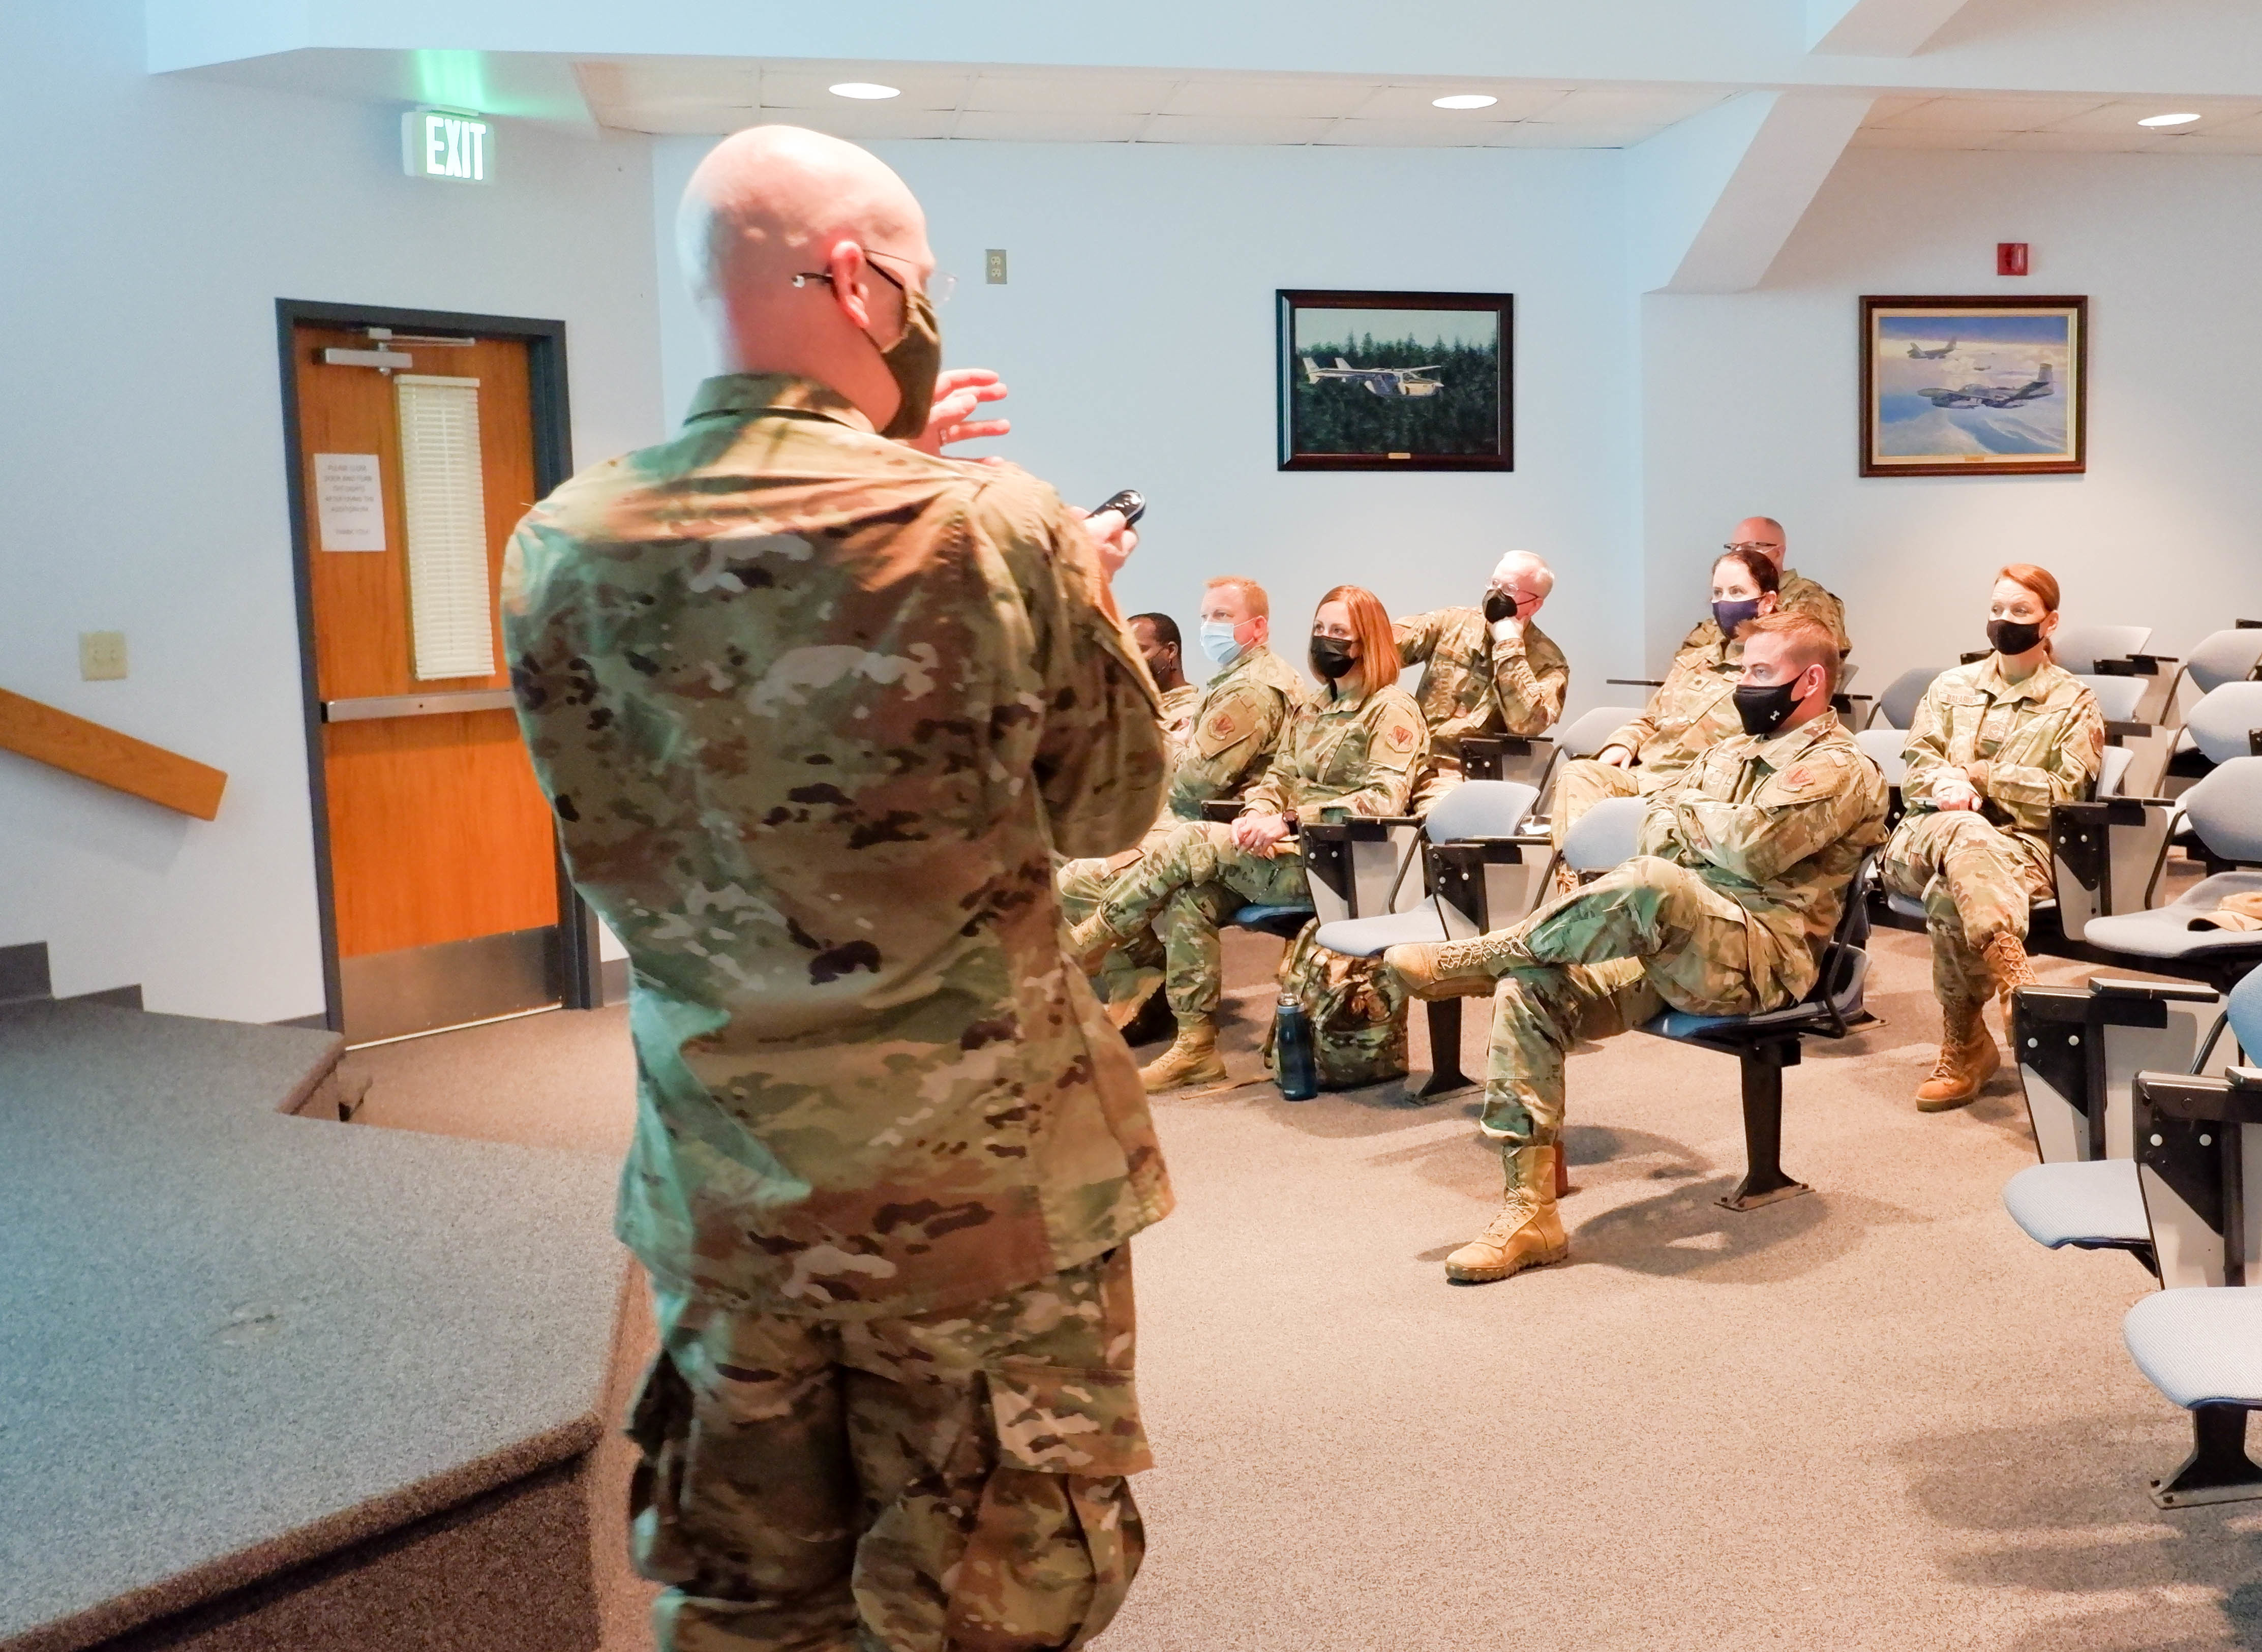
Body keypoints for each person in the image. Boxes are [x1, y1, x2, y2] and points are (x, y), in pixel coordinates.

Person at [500, 125, 1174, 1652]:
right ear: (858, 278)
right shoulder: (996, 528)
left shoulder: (564, 542)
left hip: (727, 1187)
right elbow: (1111, 803)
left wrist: (906, 465)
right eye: (925, 282)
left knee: (749, 1603)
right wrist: (1073, 584)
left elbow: (638, 819)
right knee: (987, 1603)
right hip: (979, 1203)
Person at [1381, 613, 1887, 1283]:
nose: (1744, 684)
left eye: (1761, 672)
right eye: (1742, 670)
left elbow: (1749, 851)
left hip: (1761, 958)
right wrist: (1697, 824)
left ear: (1811, 680)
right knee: (1530, 988)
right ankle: (1530, 1215)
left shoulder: (1840, 768)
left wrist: (1687, 823)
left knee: (1654, 882)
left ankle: (1484, 954)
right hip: (1679, 940)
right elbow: (1656, 822)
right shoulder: (1730, 752)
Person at [1067, 585, 1429, 1092]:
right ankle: (1195, 1049)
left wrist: (1290, 819)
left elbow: (1384, 800)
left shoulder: (1391, 709)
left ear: (1368, 640)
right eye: (1320, 629)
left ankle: (1087, 941)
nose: (1325, 639)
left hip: (1343, 864)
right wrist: (1258, 810)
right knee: (1194, 896)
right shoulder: (1314, 707)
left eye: (1339, 632)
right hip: (1290, 854)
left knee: (1191, 840)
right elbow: (1277, 776)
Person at [1884, 564, 2104, 1112]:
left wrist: (1980, 776)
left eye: (2020, 611)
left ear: (2050, 621)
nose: (2005, 620)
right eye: (1997, 609)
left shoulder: (2073, 700)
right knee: (1962, 829)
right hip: (1926, 838)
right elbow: (1914, 773)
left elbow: (2064, 795)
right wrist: (1944, 786)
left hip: (2021, 848)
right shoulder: (1950, 687)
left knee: (1951, 890)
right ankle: (2018, 984)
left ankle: (1965, 1046)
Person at [1059, 579, 1308, 1038]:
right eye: (1205, 616)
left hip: (1222, 827)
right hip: (1220, 821)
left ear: (1257, 627)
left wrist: (1170, 748)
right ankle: (1145, 981)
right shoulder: (1241, 679)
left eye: (1222, 617)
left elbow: (1195, 782)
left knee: (1078, 879)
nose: (1209, 627)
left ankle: (1136, 970)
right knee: (1071, 855)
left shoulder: (1251, 689)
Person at [1550, 548, 1777, 862]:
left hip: (1703, 789)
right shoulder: (1693, 662)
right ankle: (1578, 880)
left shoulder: (1773, 667)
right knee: (1580, 774)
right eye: (1717, 593)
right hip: (1649, 775)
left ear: (1766, 602)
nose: (1724, 602)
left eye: (1737, 592)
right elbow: (1651, 719)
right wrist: (1623, 743)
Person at [1395, 549, 1570, 807]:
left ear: (1535, 605)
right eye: (1494, 583)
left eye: (1509, 589)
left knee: (1445, 816)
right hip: (1405, 759)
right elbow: (1380, 650)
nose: (1496, 594)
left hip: (1461, 774)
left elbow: (1527, 725)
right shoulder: (1453, 623)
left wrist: (1509, 646)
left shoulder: (1549, 662)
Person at [1675, 517, 1850, 660]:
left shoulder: (1808, 598)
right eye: (1734, 549)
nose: (1740, 555)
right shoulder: (1730, 602)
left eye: (1750, 548)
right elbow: (1689, 655)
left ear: (1778, 553)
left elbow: (1802, 659)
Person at [1129, 611, 1200, 740]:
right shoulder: (1132, 712)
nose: (1129, 659)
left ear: (1171, 651)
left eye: (1137, 650)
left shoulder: (1195, 718)